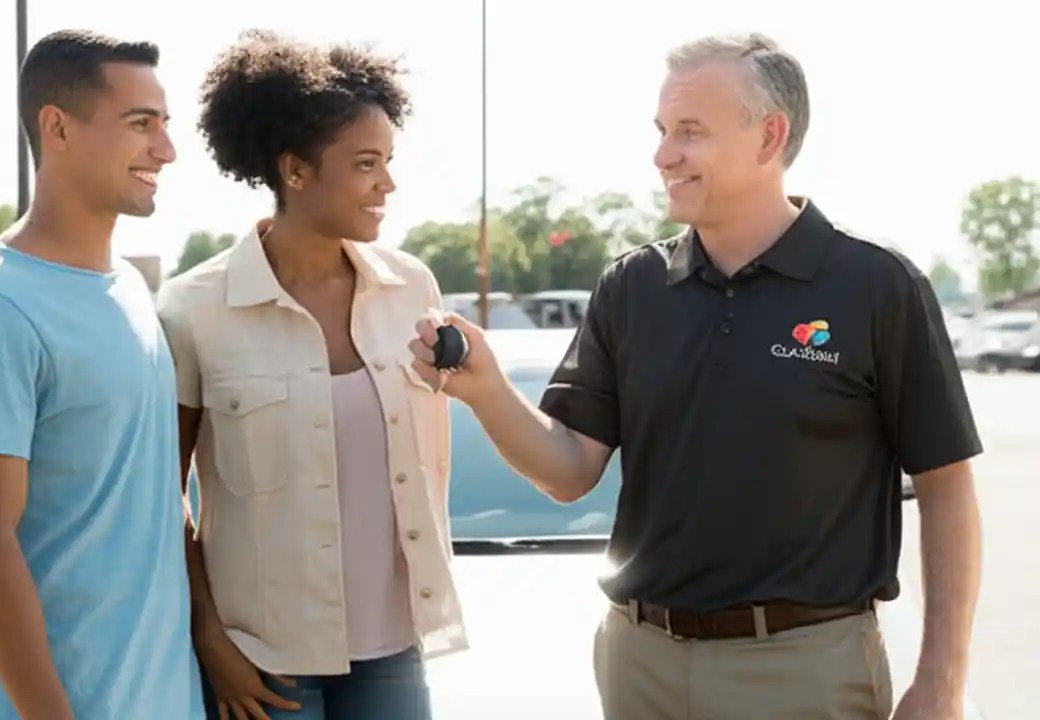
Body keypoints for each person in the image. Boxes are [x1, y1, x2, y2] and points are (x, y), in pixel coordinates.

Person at [410, 32, 982, 720]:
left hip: (803, 671)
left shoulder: (876, 287)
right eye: (660, 131)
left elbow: (948, 488)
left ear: (770, 136)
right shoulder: (632, 286)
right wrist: (487, 390)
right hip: (638, 664)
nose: (662, 155)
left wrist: (942, 682)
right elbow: (568, 473)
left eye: (690, 132)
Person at [156, 29, 466, 720]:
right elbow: (163, 493)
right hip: (262, 660)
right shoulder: (192, 310)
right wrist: (210, 639)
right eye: (364, 163)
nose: (387, 182)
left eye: (387, 160)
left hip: (394, 649)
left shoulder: (411, 288)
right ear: (295, 171)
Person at [0, 29, 198, 719]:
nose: (165, 149)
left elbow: (156, 498)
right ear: (57, 127)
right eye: (141, 124)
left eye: (164, 125)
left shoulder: (131, 290)